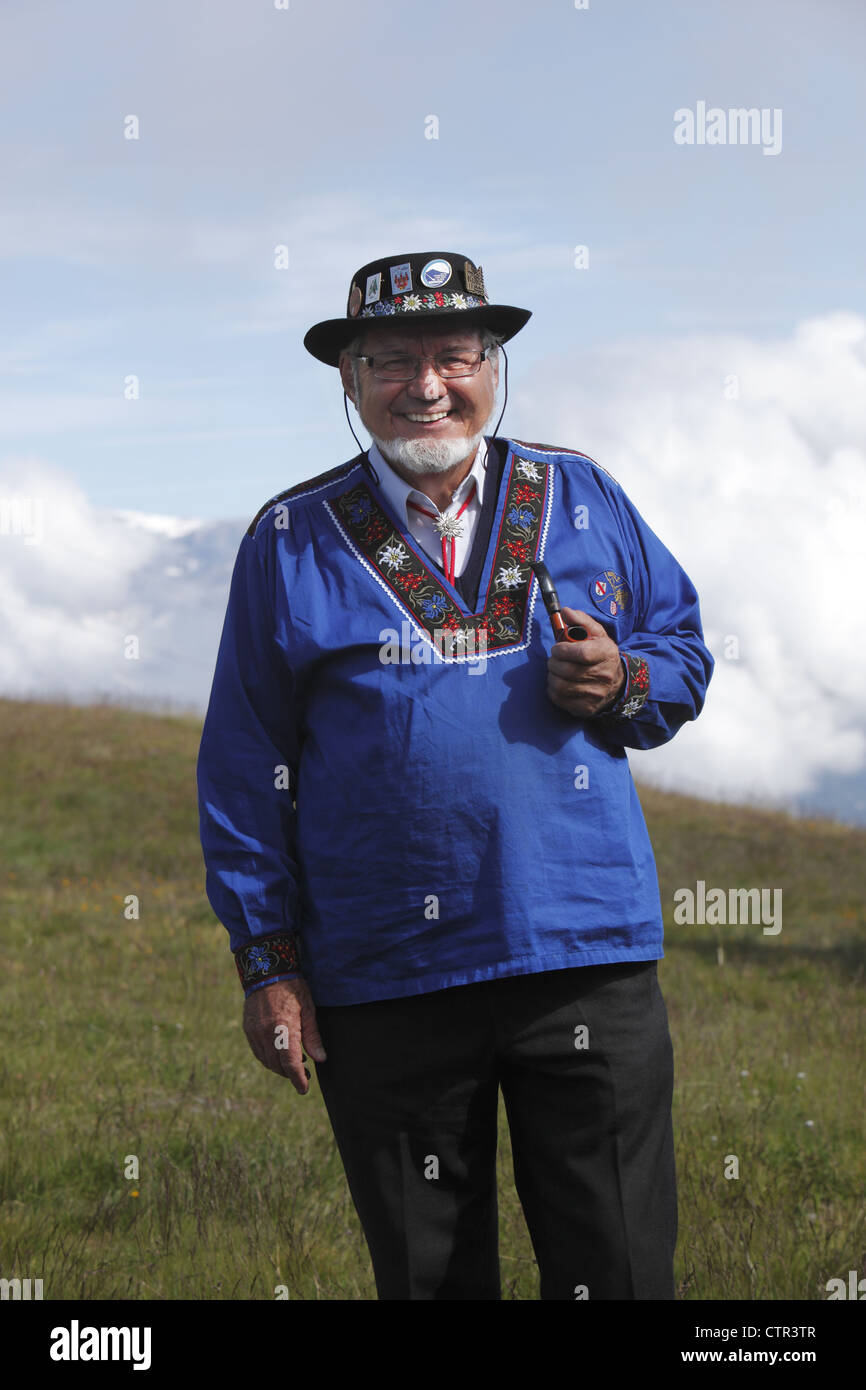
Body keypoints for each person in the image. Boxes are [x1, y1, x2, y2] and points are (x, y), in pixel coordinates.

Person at [196, 250, 714, 1301]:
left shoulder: (581, 494)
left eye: (454, 354)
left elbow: (683, 653)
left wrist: (623, 676)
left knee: (616, 1272)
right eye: (389, 360)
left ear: (494, 363)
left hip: (582, 954)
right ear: (347, 382)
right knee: (430, 1282)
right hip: (387, 976)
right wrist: (268, 963)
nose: (426, 384)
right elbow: (247, 766)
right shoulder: (289, 539)